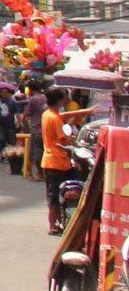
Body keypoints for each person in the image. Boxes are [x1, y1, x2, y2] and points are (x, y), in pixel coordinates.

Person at [40, 86, 96, 234]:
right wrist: (74, 142)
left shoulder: (48, 114)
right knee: (56, 195)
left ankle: (58, 222)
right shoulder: (55, 119)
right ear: (59, 100)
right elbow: (64, 139)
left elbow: (63, 115)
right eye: (65, 97)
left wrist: (84, 112)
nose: (67, 100)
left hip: (50, 161)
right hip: (57, 162)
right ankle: (52, 226)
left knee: (54, 194)